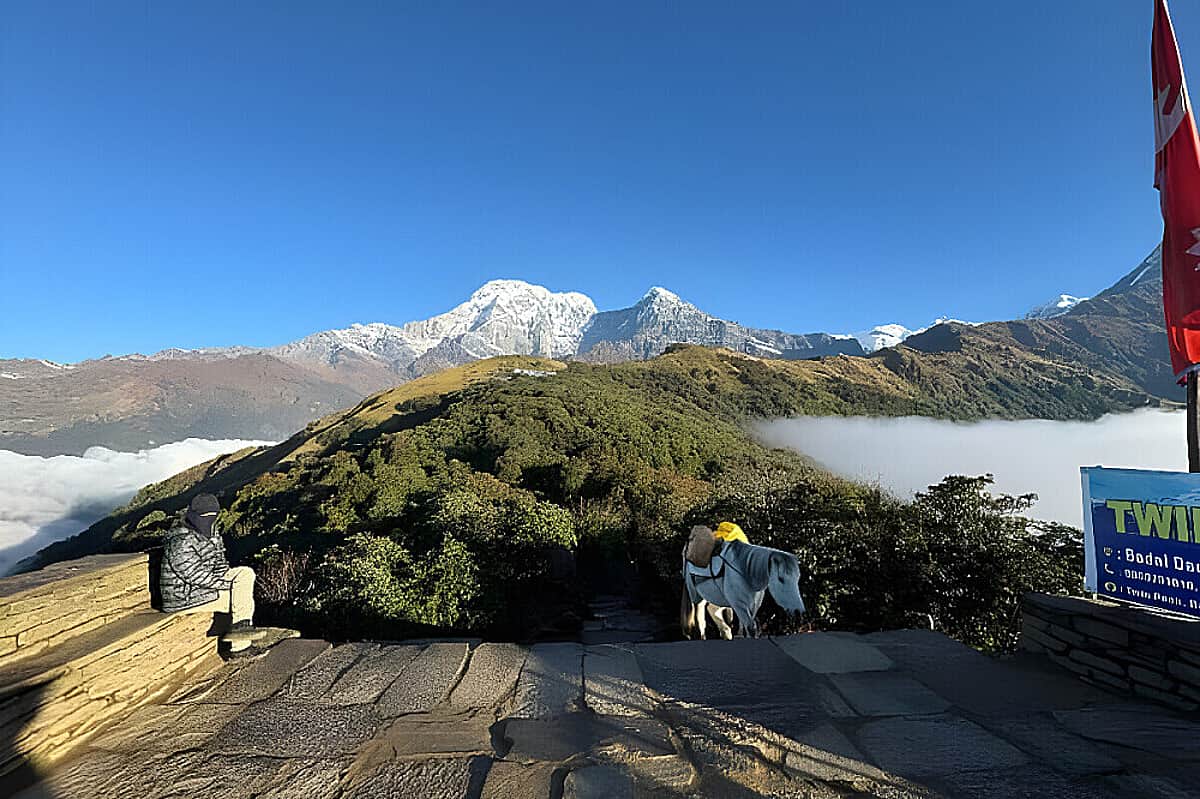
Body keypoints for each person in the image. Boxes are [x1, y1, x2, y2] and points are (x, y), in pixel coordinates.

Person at [160, 493, 260, 647]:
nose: (208, 520)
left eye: (213, 515)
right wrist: (227, 584)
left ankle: (241, 628)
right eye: (204, 516)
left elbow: (219, 562)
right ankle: (240, 647)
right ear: (193, 515)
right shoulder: (180, 540)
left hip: (202, 588)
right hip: (183, 596)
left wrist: (228, 577)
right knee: (238, 597)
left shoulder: (212, 533)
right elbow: (194, 575)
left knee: (246, 574)